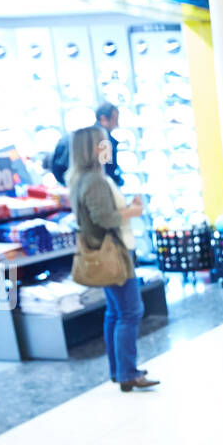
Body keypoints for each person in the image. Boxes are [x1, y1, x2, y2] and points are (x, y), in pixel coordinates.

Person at [67, 125, 159, 392]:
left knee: (116, 312)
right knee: (131, 311)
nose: (108, 147)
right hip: (113, 252)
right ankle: (128, 373)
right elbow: (105, 218)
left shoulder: (81, 178)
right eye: (103, 143)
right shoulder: (95, 180)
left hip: (101, 251)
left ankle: (118, 371)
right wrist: (134, 211)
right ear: (93, 148)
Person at [51, 102, 123, 187]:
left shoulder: (79, 136)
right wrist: (119, 182)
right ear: (103, 119)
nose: (117, 125)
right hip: (93, 189)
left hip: (71, 185)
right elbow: (106, 172)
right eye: (115, 120)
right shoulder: (103, 140)